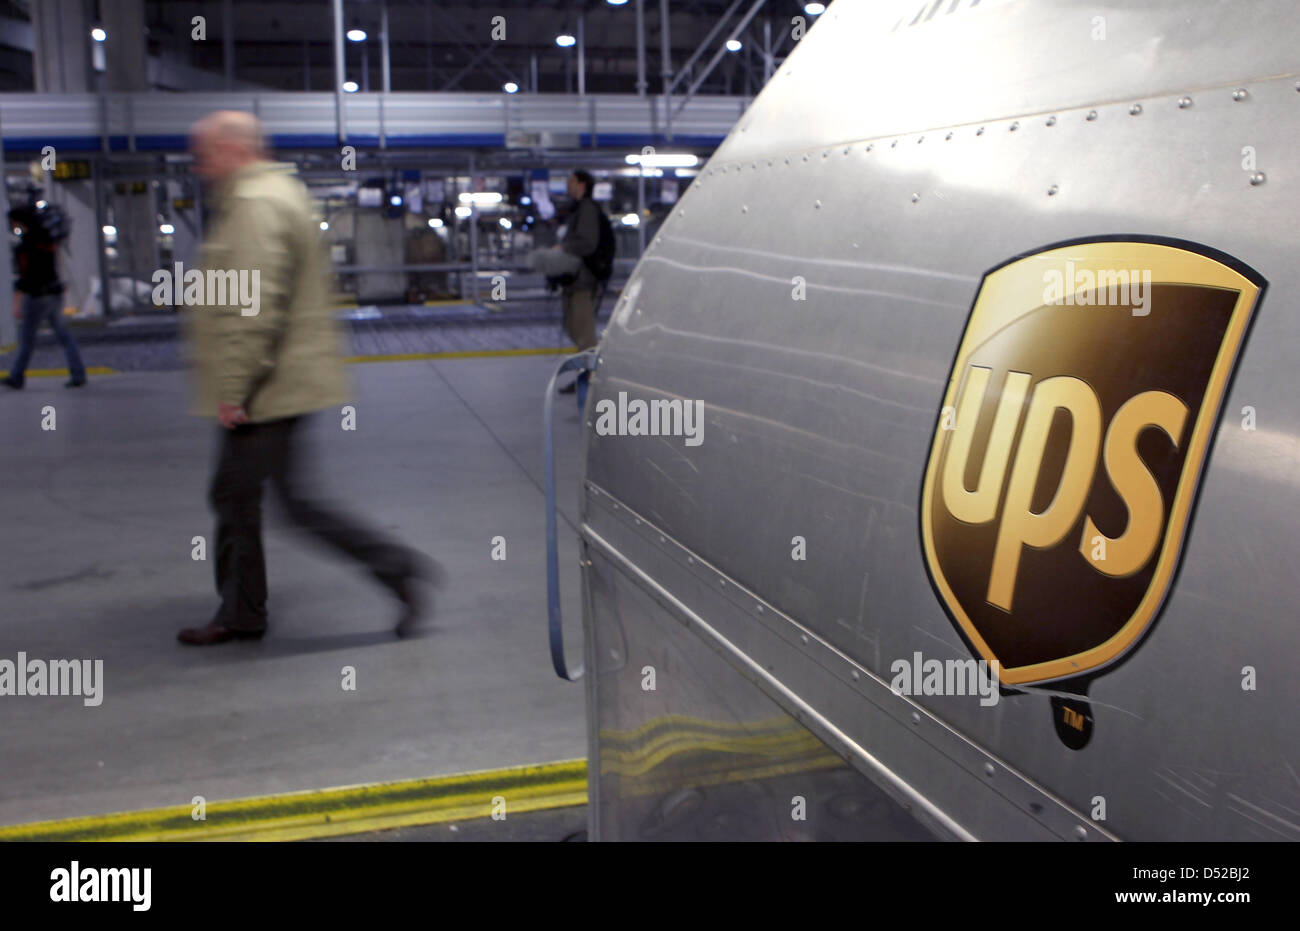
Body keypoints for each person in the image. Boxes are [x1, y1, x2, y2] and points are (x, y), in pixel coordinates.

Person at [178, 110, 438, 646]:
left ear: (232, 149)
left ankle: (393, 569)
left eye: (205, 154)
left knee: (268, 502)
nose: (200, 166)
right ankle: (246, 608)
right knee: (246, 498)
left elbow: (252, 307)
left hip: (266, 388)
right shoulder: (280, 192)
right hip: (279, 382)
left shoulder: (254, 205)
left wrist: (233, 388)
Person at [2, 203, 87, 390]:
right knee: (64, 336)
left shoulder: (26, 244)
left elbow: (26, 276)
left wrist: (16, 301)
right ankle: (78, 372)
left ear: (18, 221)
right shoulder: (47, 237)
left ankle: (17, 376)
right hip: (54, 294)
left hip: (35, 297)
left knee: (26, 340)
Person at [554, 171, 603, 403]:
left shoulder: (587, 210)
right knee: (575, 329)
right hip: (575, 282)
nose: (567, 185)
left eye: (571, 181)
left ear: (581, 184)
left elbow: (587, 243)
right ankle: (586, 379)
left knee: (584, 337)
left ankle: (591, 384)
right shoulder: (580, 210)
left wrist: (563, 249)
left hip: (584, 282)